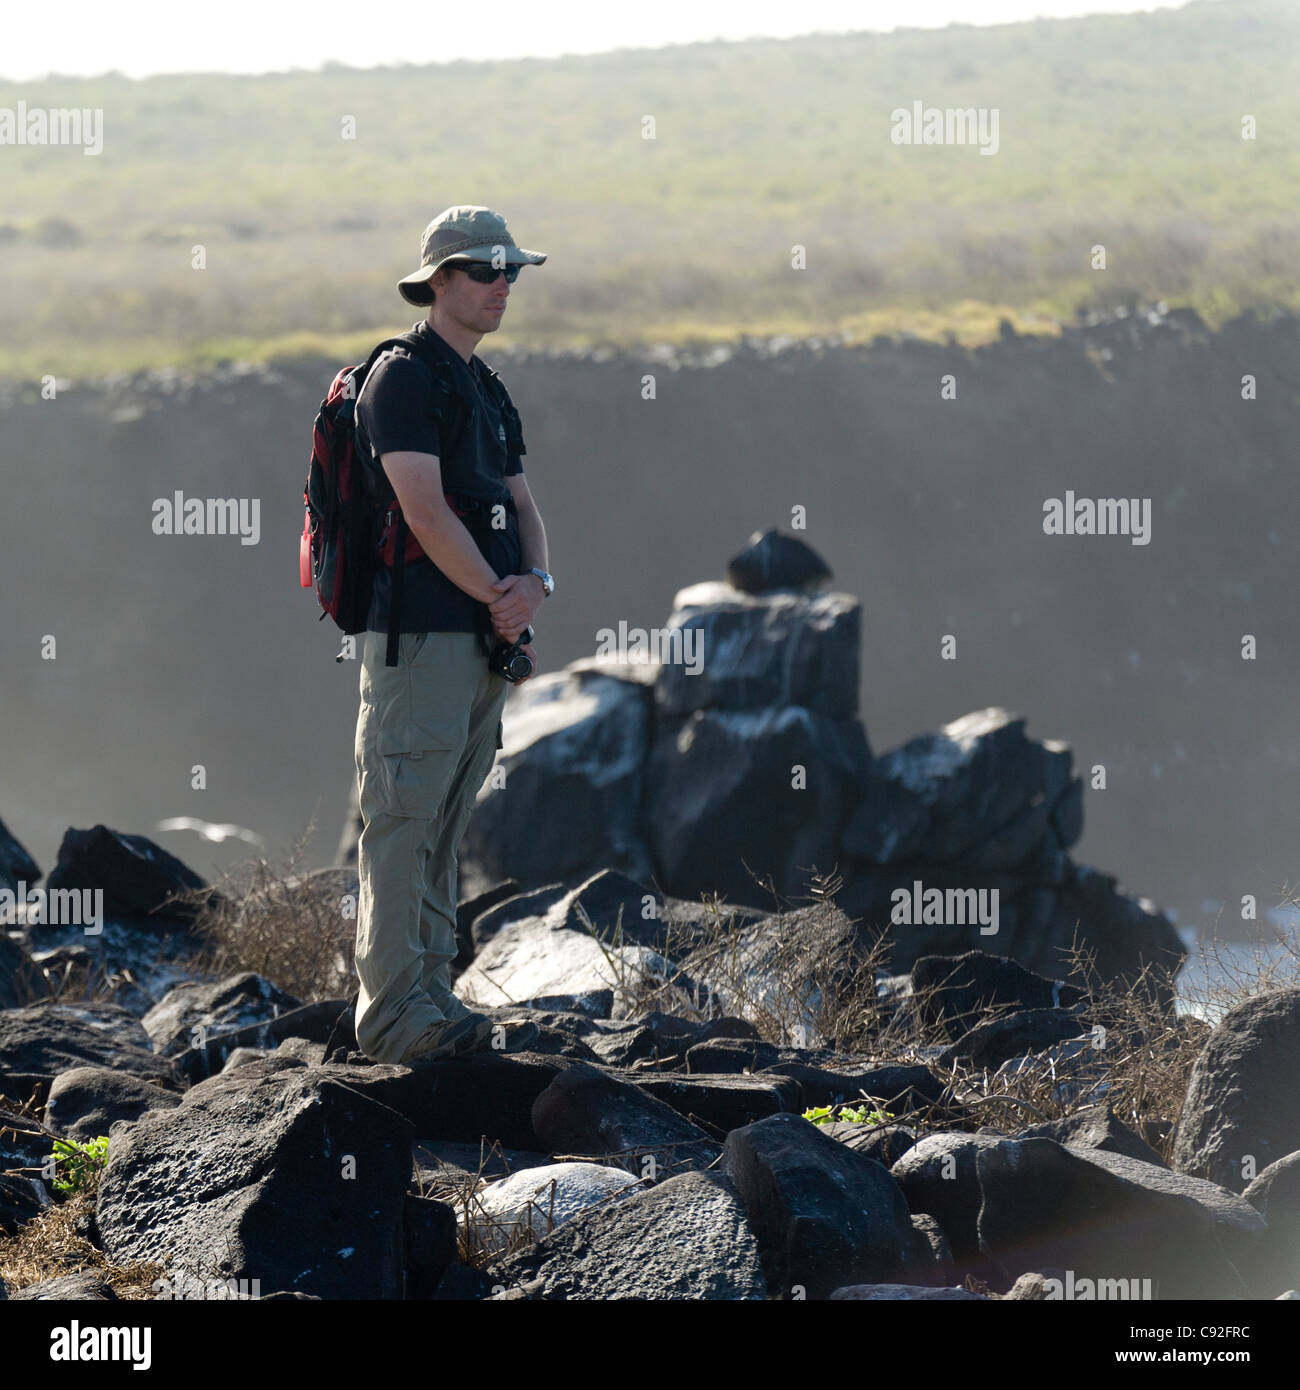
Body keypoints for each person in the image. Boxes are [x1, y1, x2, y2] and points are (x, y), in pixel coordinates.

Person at [350, 206, 556, 1064]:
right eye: (483, 270)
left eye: (511, 270)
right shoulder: (401, 378)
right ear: (438, 281)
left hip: (477, 640)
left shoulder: (486, 386)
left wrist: (535, 584)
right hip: (421, 638)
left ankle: (432, 996)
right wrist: (498, 597)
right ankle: (395, 1019)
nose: (502, 284)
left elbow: (521, 504)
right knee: (401, 818)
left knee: (441, 817)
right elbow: (423, 512)